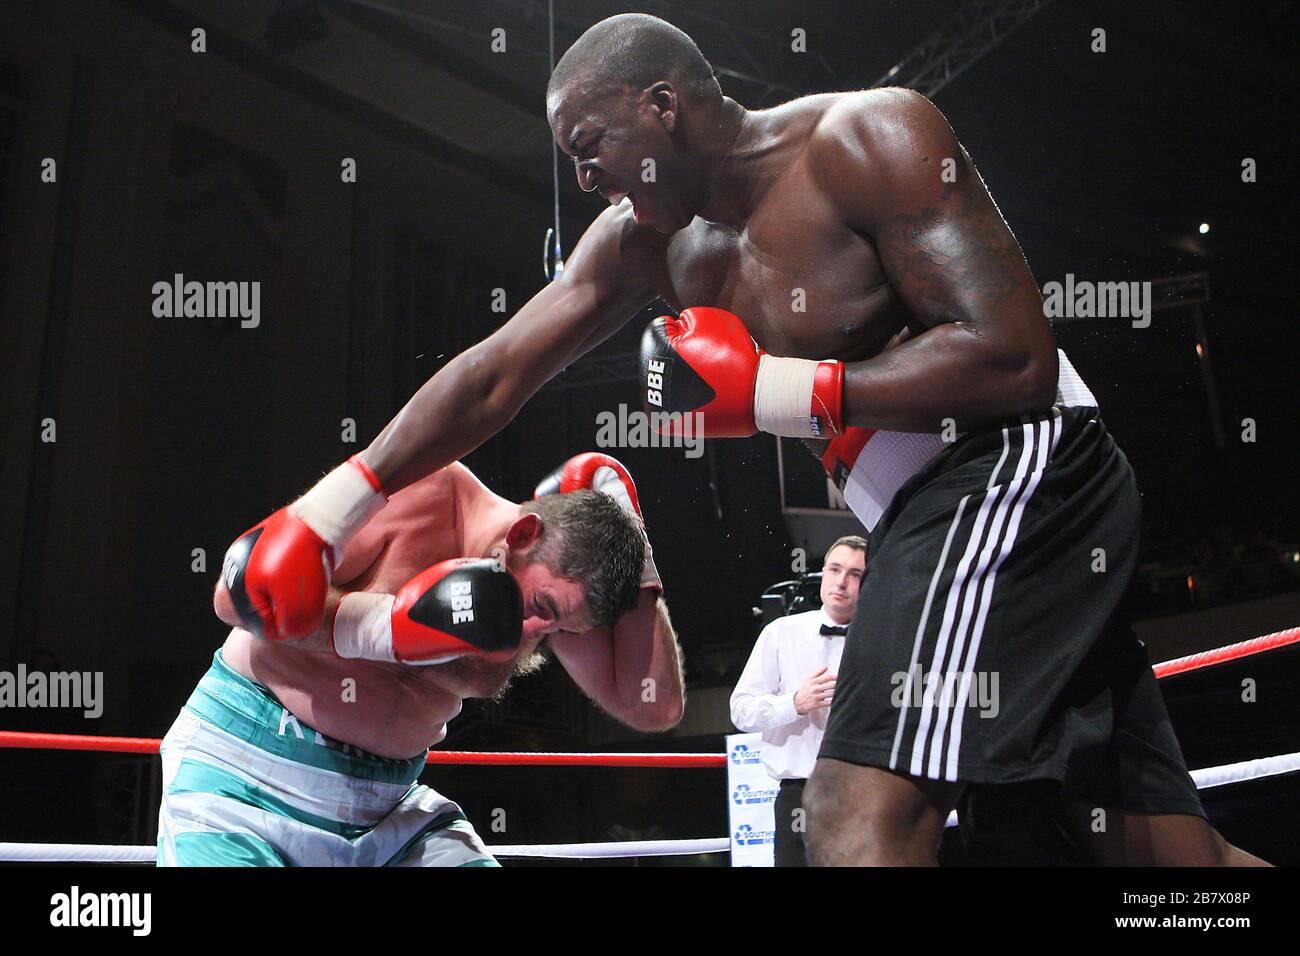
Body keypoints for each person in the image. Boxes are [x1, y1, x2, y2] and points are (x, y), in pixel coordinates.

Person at [215, 13, 1257, 865]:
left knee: (855, 818)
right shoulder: (645, 244)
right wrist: (329, 504)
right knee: (1157, 850)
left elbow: (1014, 360)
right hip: (920, 509)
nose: (584, 179)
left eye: (591, 146)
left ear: (660, 105)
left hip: (1011, 466)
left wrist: (770, 388)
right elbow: (496, 369)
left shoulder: (868, 137)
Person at [157, 453, 682, 866]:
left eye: (563, 630)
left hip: (385, 813)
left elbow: (652, 707)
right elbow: (236, 597)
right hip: (246, 778)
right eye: (542, 609)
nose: (535, 633)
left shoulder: (551, 596)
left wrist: (638, 549)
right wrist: (381, 629)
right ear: (523, 535)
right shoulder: (422, 490)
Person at [730, 537, 866, 866]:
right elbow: (741, 710)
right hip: (799, 794)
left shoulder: (879, 639)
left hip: (864, 792)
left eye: (855, 574)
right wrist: (794, 703)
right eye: (835, 569)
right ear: (823, 574)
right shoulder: (781, 633)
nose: (841, 581)